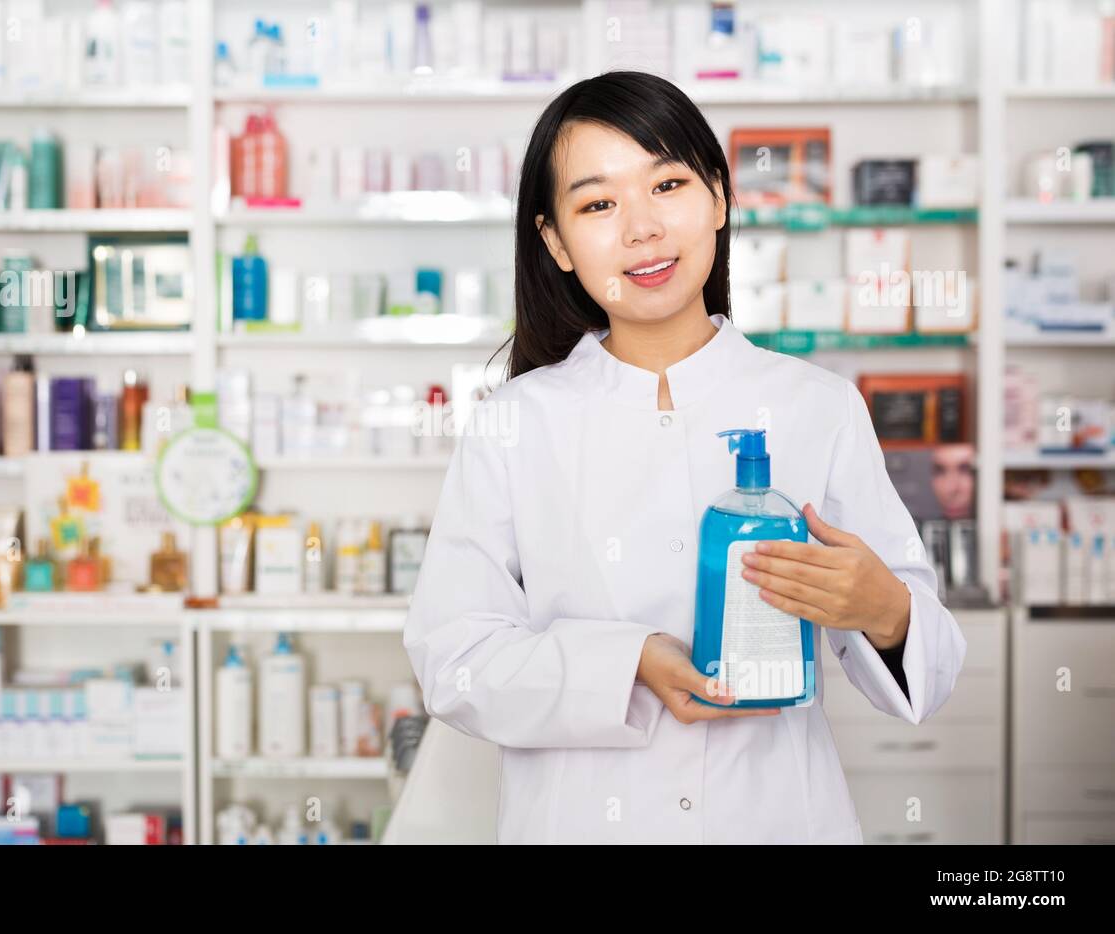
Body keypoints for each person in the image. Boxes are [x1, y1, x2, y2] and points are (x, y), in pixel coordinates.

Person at [403, 71, 967, 844]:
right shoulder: (515, 424)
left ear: (720, 199)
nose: (641, 227)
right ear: (557, 243)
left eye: (667, 184)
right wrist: (629, 661)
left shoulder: (818, 406)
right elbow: (454, 663)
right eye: (598, 203)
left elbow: (927, 672)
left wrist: (886, 611)